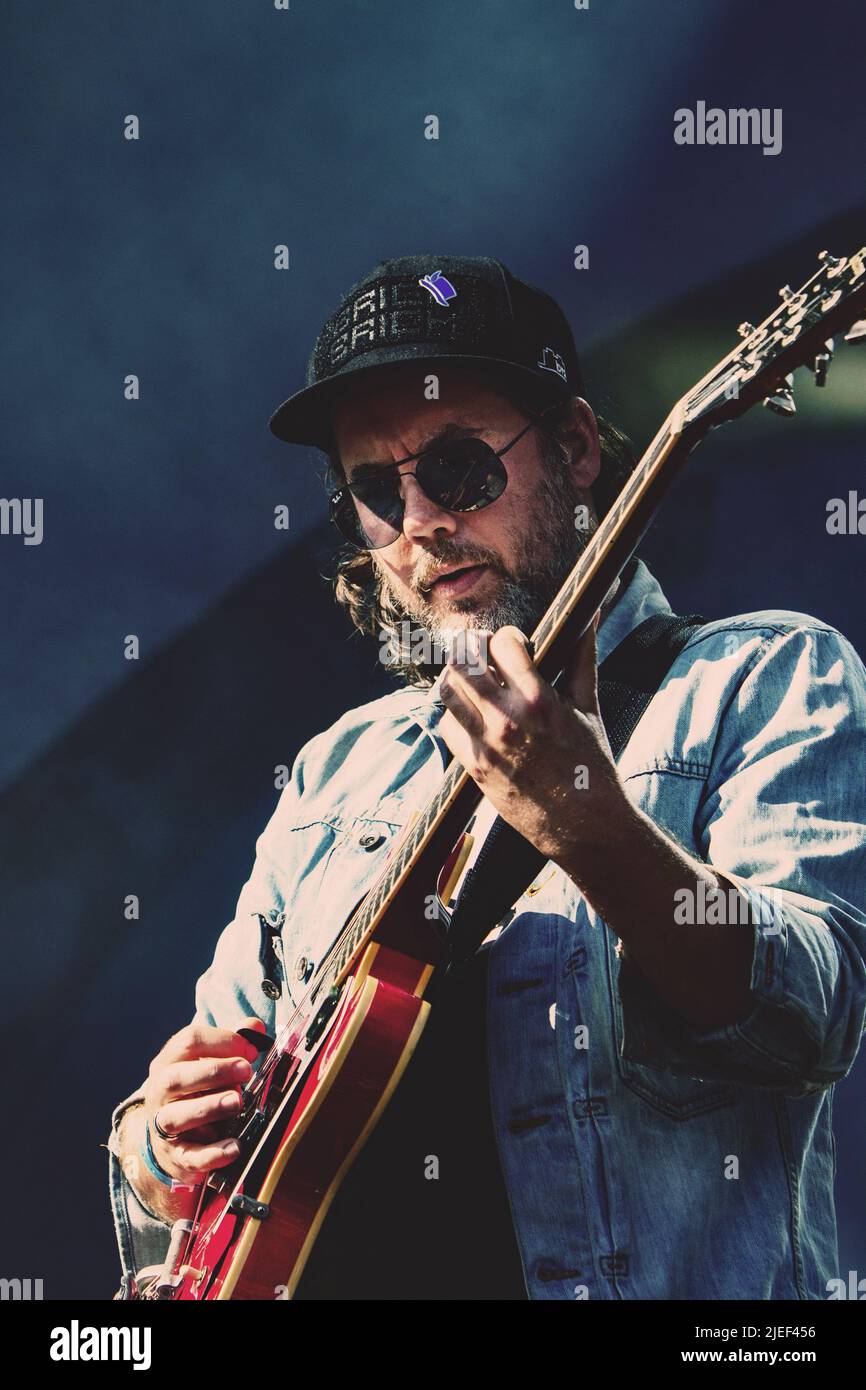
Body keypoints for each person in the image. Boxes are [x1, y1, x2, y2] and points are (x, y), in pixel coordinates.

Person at [108, 254, 866, 1300]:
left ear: (574, 448)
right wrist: (156, 1144)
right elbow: (201, 1104)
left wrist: (592, 829)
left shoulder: (765, 675)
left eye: (458, 468)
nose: (419, 519)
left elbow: (811, 1017)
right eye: (376, 491)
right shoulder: (338, 769)